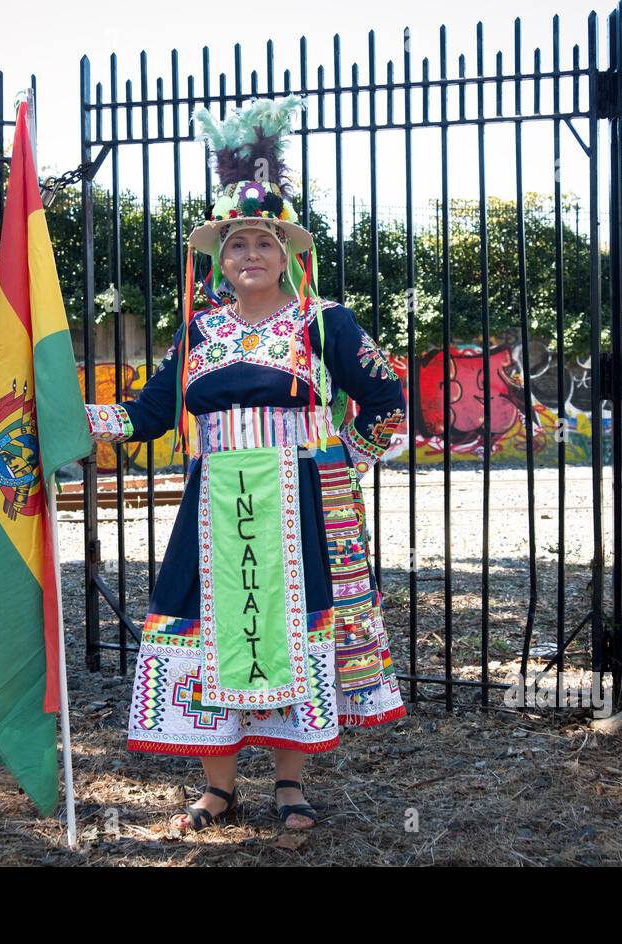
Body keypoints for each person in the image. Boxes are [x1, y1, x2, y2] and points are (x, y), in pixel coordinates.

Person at [83, 94, 407, 832]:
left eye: (262, 242)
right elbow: (151, 413)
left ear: (288, 252)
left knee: (294, 625)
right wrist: (73, 421)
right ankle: (218, 786)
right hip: (215, 504)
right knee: (209, 623)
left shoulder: (324, 321)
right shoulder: (198, 330)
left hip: (300, 501)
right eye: (236, 245)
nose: (249, 256)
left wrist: (341, 465)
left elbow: (386, 400)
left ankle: (290, 784)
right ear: (218, 258)